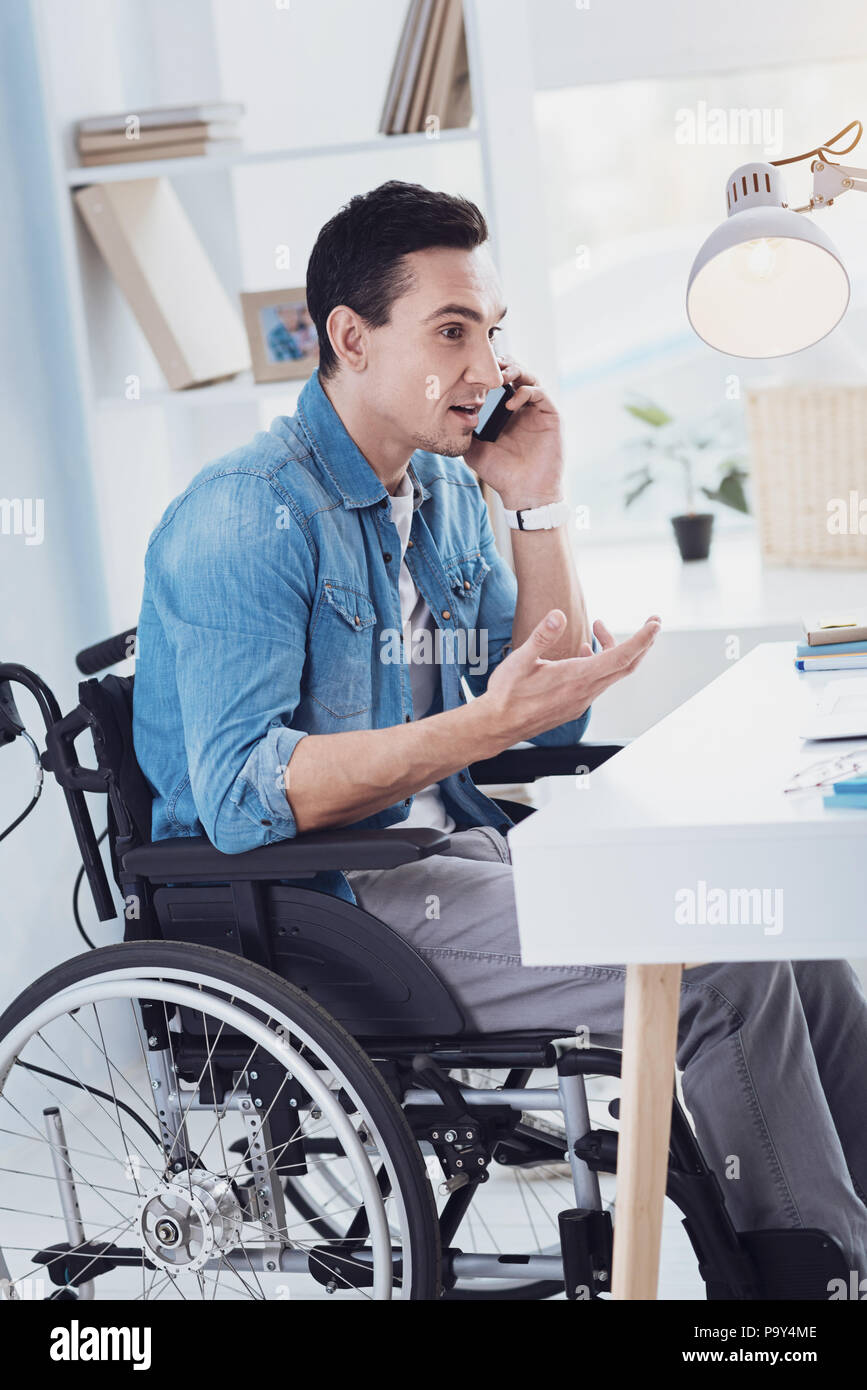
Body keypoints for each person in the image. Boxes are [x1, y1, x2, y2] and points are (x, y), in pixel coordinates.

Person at [133, 179, 867, 1279]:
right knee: (718, 966)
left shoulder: (438, 489)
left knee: (791, 942)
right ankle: (804, 1291)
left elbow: (542, 691)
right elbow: (244, 794)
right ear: (350, 338)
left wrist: (533, 502)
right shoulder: (247, 513)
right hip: (321, 904)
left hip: (449, 857)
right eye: (451, 330)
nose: (486, 366)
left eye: (491, 330)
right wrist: (476, 729)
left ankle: (847, 1234)